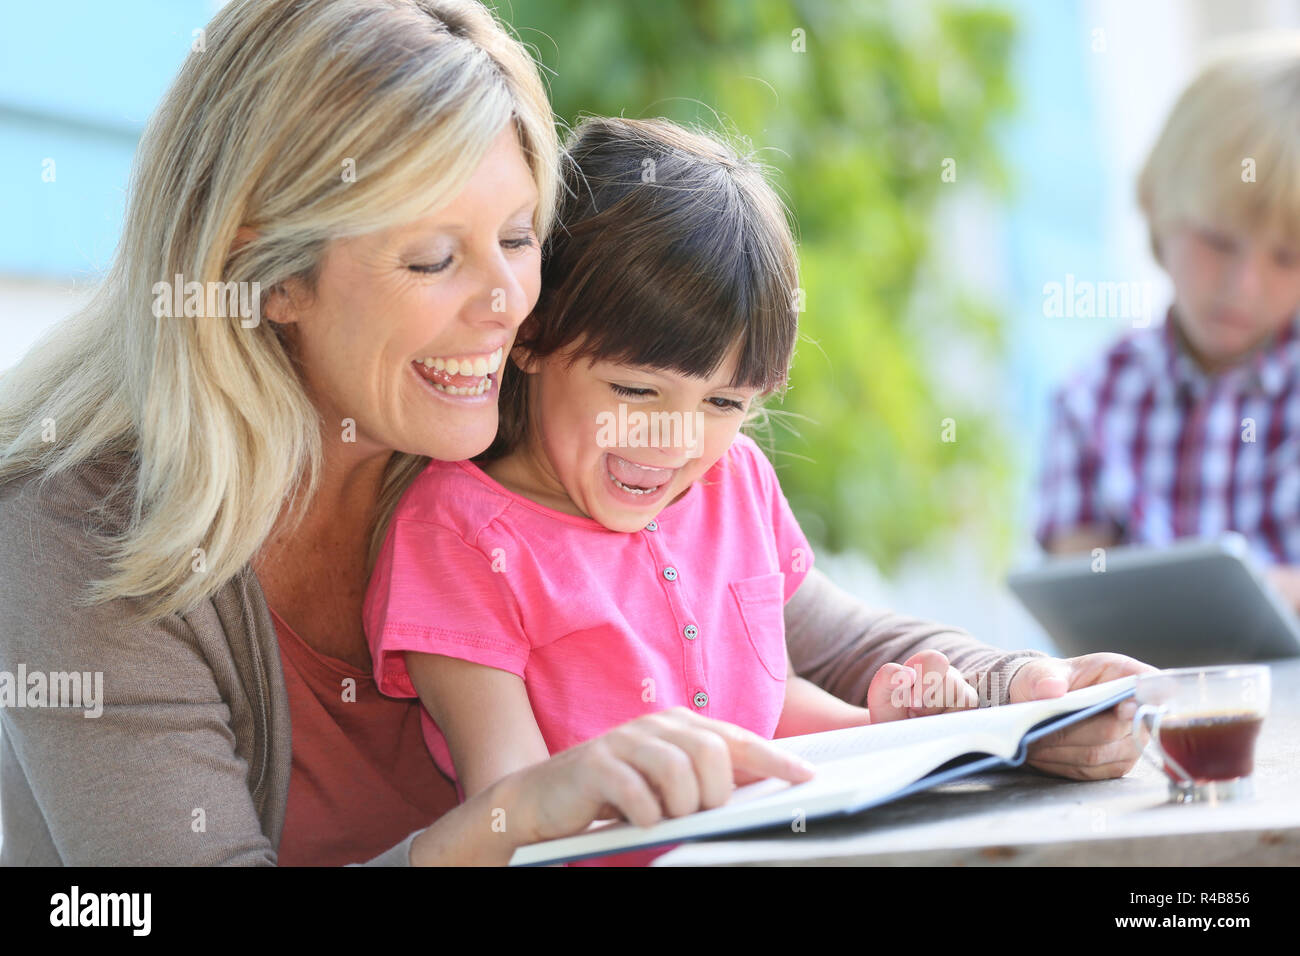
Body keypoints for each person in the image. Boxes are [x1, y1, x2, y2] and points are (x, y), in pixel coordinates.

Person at [0, 0, 1148, 868]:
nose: (508, 304)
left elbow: (812, 631)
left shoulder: (491, 426)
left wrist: (1028, 694)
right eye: (432, 258)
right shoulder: (78, 544)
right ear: (266, 274)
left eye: (514, 235)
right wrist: (516, 816)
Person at [362, 117, 984, 865]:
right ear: (528, 336)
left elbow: (760, 709)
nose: (676, 442)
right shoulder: (457, 533)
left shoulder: (736, 482)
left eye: (724, 403)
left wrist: (878, 720)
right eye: (636, 389)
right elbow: (511, 803)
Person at [1036, 35, 1300, 612]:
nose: (1243, 285)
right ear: (1158, 208)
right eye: (1217, 241)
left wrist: (1245, 594)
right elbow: (1080, 600)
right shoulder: (1091, 400)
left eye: (1287, 257)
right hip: (1146, 699)